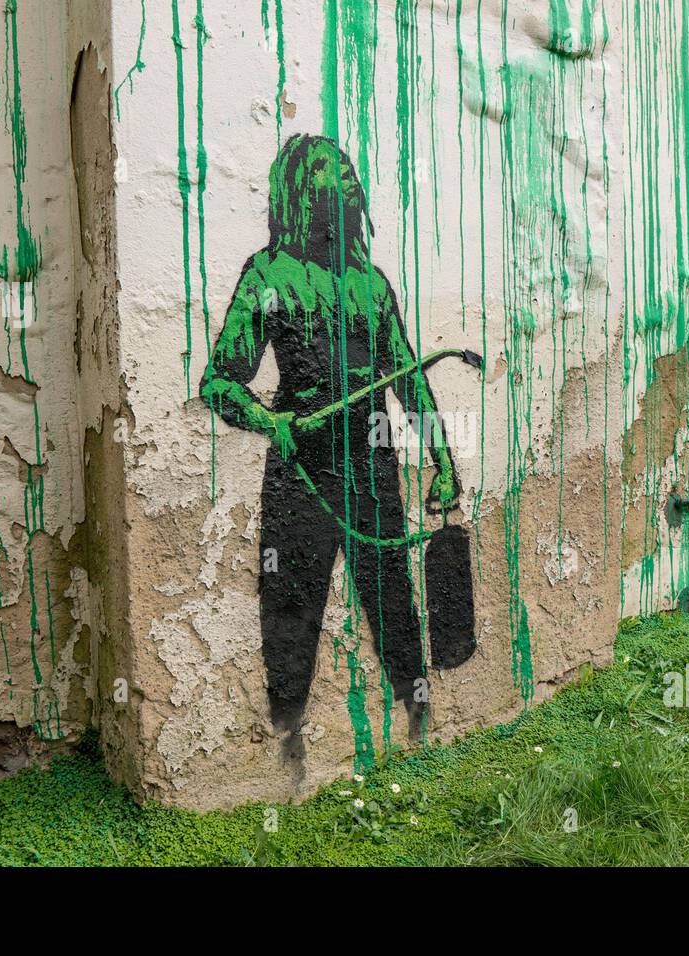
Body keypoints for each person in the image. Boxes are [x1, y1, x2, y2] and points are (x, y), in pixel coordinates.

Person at [200, 134, 459, 765]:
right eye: (325, 169)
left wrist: (443, 462)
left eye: (346, 168)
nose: (342, 176)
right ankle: (285, 746)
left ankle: (417, 723)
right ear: (296, 188)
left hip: (372, 463)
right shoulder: (268, 276)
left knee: (392, 595)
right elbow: (218, 382)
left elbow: (407, 379)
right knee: (291, 606)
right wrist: (269, 420)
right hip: (301, 469)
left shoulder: (371, 285)